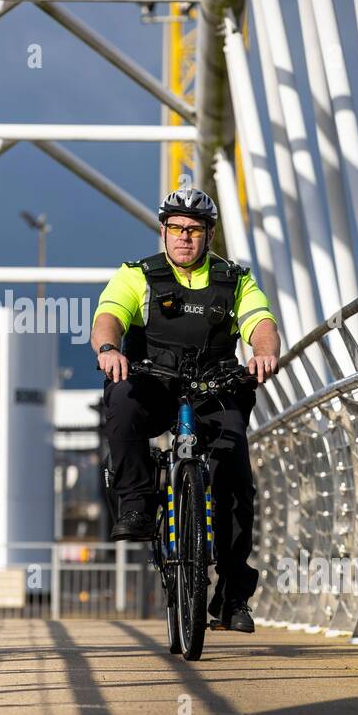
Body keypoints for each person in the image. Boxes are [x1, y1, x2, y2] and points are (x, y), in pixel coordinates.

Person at [91, 188, 280, 633]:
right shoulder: (138, 275)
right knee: (120, 399)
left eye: (194, 230)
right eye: (175, 229)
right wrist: (107, 348)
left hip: (214, 387)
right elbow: (109, 315)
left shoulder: (235, 280)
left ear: (209, 235)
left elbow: (261, 323)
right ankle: (135, 504)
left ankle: (232, 598)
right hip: (153, 382)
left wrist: (264, 353)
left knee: (234, 480)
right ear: (163, 231)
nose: (184, 238)